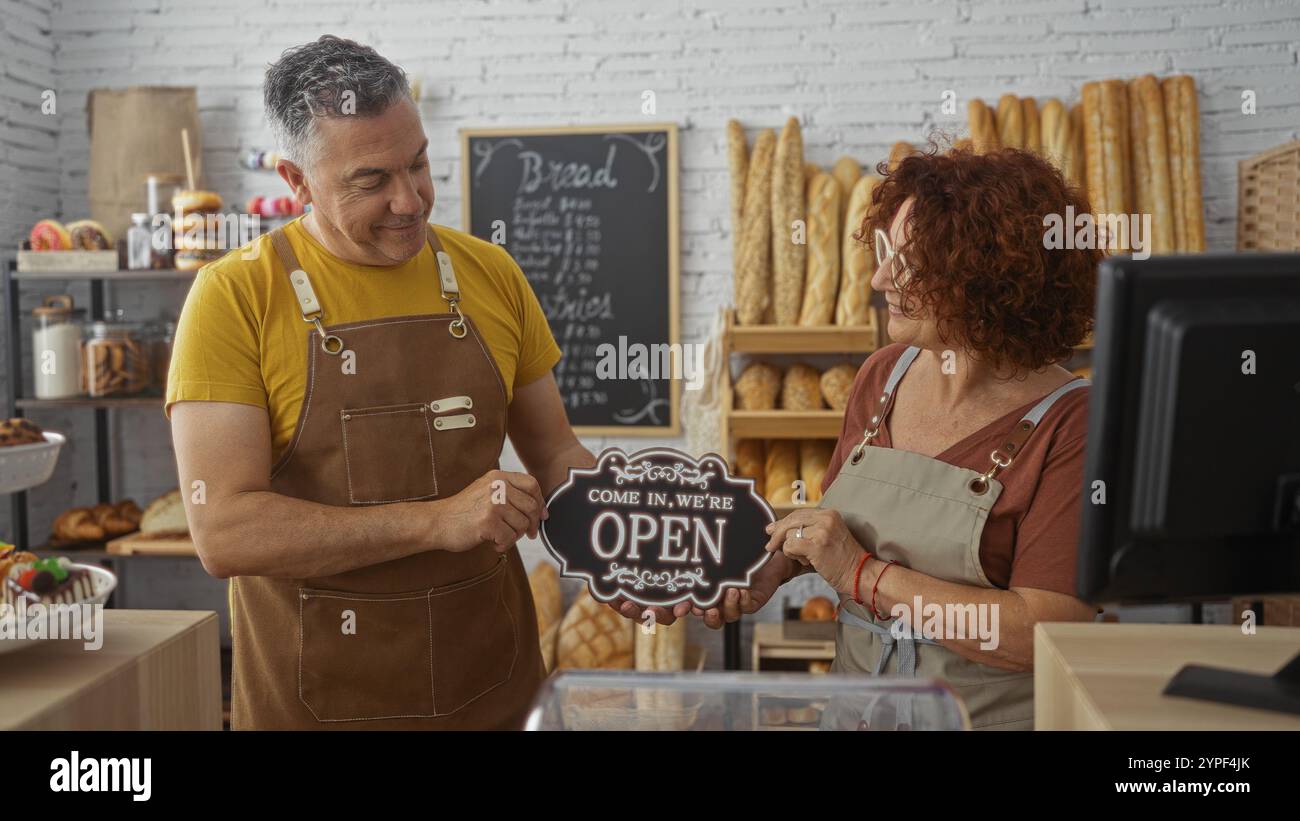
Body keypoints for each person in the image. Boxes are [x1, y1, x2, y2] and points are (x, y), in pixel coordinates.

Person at [166, 36, 597, 730]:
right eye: (371, 180)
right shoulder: (234, 297)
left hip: (493, 690)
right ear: (297, 181)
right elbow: (225, 529)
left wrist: (632, 548)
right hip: (317, 703)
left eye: (419, 163)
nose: (410, 199)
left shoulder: (491, 273)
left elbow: (556, 455)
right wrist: (436, 520)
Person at [694, 145, 1103, 730]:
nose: (880, 277)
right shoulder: (884, 374)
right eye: (886, 253)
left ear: (987, 277)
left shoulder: (1072, 425)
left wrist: (860, 576)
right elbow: (839, 530)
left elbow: (1040, 633)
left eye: (910, 263)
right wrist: (770, 568)